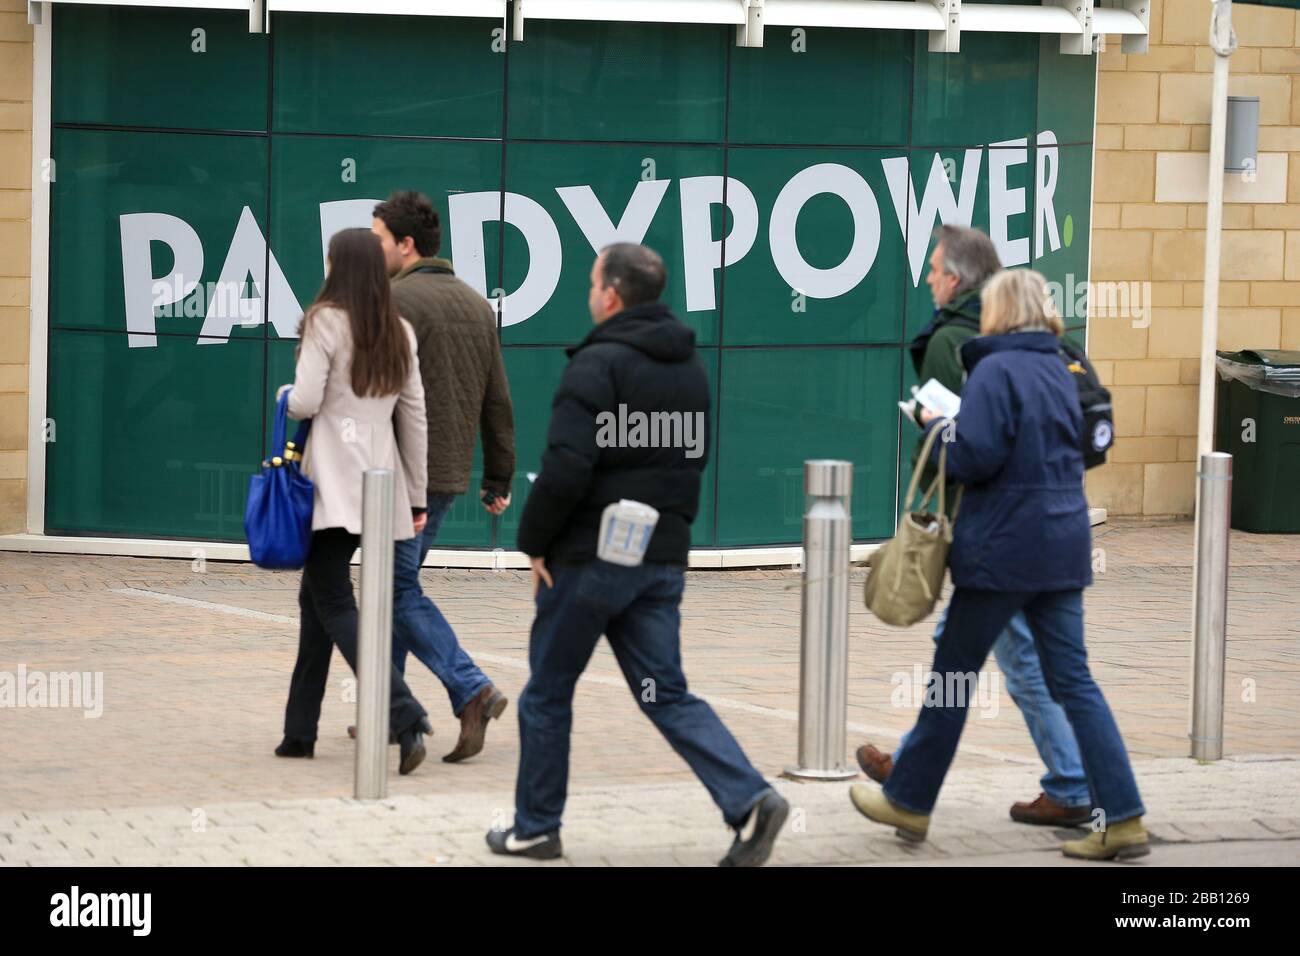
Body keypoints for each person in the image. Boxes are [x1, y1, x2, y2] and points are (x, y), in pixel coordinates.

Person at [487, 243, 789, 866]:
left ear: (612, 295)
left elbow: (568, 466)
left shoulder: (596, 365)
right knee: (665, 692)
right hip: (657, 560)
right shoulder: (691, 367)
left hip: (589, 560)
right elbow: (692, 458)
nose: (589, 292)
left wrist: (534, 542)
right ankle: (751, 798)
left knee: (547, 693)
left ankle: (536, 828)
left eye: (592, 282)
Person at [850, 268, 1148, 861]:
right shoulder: (1059, 365)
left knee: (952, 678)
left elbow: (977, 455)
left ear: (999, 312)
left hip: (1003, 551)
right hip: (1060, 547)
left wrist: (938, 429)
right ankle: (1124, 818)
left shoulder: (995, 368)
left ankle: (909, 799)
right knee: (1075, 682)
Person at [274, 228, 432, 776]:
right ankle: (299, 731)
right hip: (381, 481)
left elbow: (307, 400)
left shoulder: (324, 321)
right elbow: (413, 417)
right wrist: (416, 494)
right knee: (315, 603)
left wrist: (283, 399)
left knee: (334, 601)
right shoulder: (400, 331)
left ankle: (403, 710)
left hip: (333, 482)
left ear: (337, 266)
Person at [365, 190, 516, 762]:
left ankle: (469, 688)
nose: (371, 248)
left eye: (378, 238)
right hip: (448, 476)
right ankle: (392, 711)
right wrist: (497, 476)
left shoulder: (395, 300)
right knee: (391, 590)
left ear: (405, 245)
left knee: (394, 589)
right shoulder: (478, 305)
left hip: (401, 474)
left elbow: (376, 391)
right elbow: (498, 400)